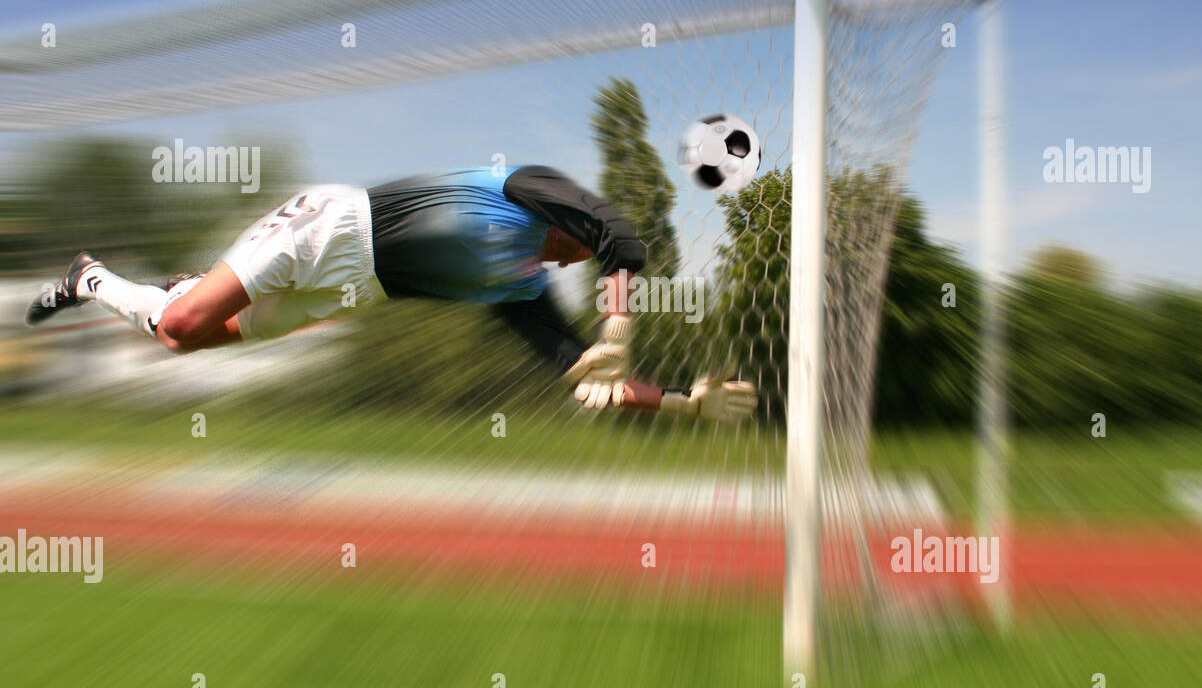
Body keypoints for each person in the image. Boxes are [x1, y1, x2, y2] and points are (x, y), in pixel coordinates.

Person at [26, 165, 756, 422]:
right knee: (186, 316)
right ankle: (148, 283)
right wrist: (620, 326)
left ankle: (91, 278)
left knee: (179, 336)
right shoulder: (523, 189)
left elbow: (581, 379)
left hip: (348, 294)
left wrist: (684, 403)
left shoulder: (519, 290)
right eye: (576, 252)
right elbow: (619, 235)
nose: (571, 266)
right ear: (564, 226)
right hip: (332, 227)